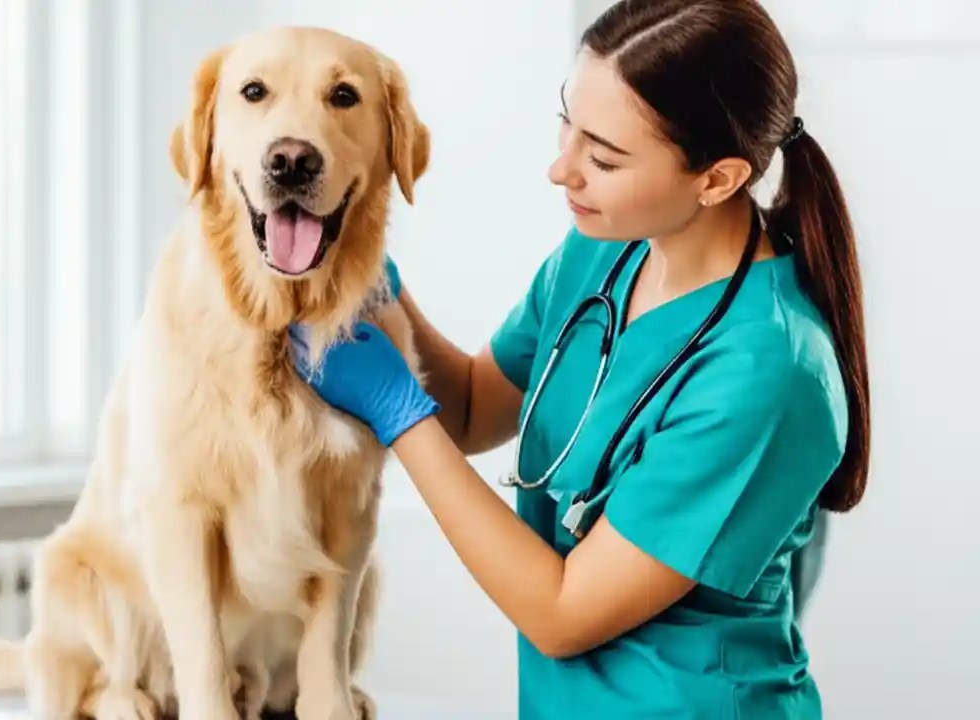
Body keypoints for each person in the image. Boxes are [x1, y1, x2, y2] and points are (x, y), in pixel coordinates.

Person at [288, 0, 870, 717]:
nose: (561, 170)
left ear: (717, 178)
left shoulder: (767, 370)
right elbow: (472, 409)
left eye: (603, 156)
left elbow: (563, 615)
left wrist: (399, 416)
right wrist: (376, 280)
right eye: (567, 122)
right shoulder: (604, 250)